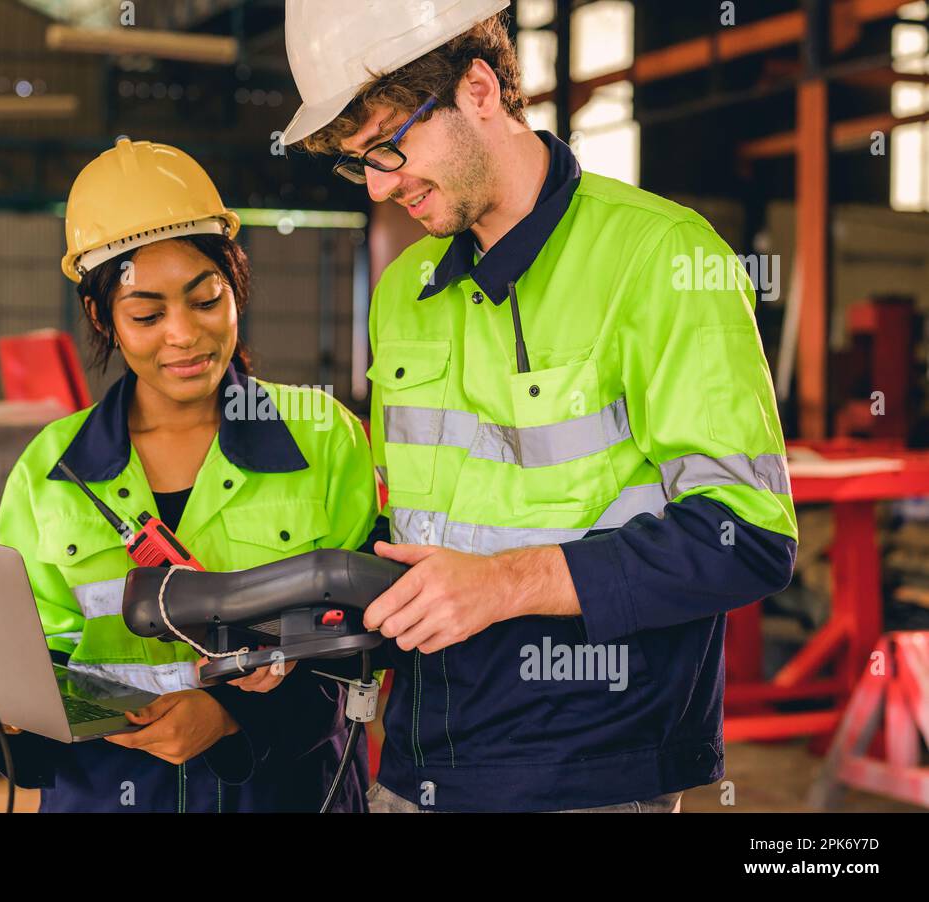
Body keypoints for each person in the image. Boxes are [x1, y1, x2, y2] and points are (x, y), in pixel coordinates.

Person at [275, 1, 797, 812]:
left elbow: (747, 537)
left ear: (479, 90)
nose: (380, 186)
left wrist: (505, 585)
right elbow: (418, 533)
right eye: (359, 163)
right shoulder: (403, 294)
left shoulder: (663, 259)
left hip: (586, 776)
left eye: (388, 147)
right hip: (415, 765)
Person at [0, 137, 379, 812]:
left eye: (206, 300)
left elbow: (361, 642)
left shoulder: (322, 437)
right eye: (147, 315)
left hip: (285, 793)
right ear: (103, 317)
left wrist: (232, 718)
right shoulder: (52, 470)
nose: (183, 334)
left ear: (235, 284)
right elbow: (40, 673)